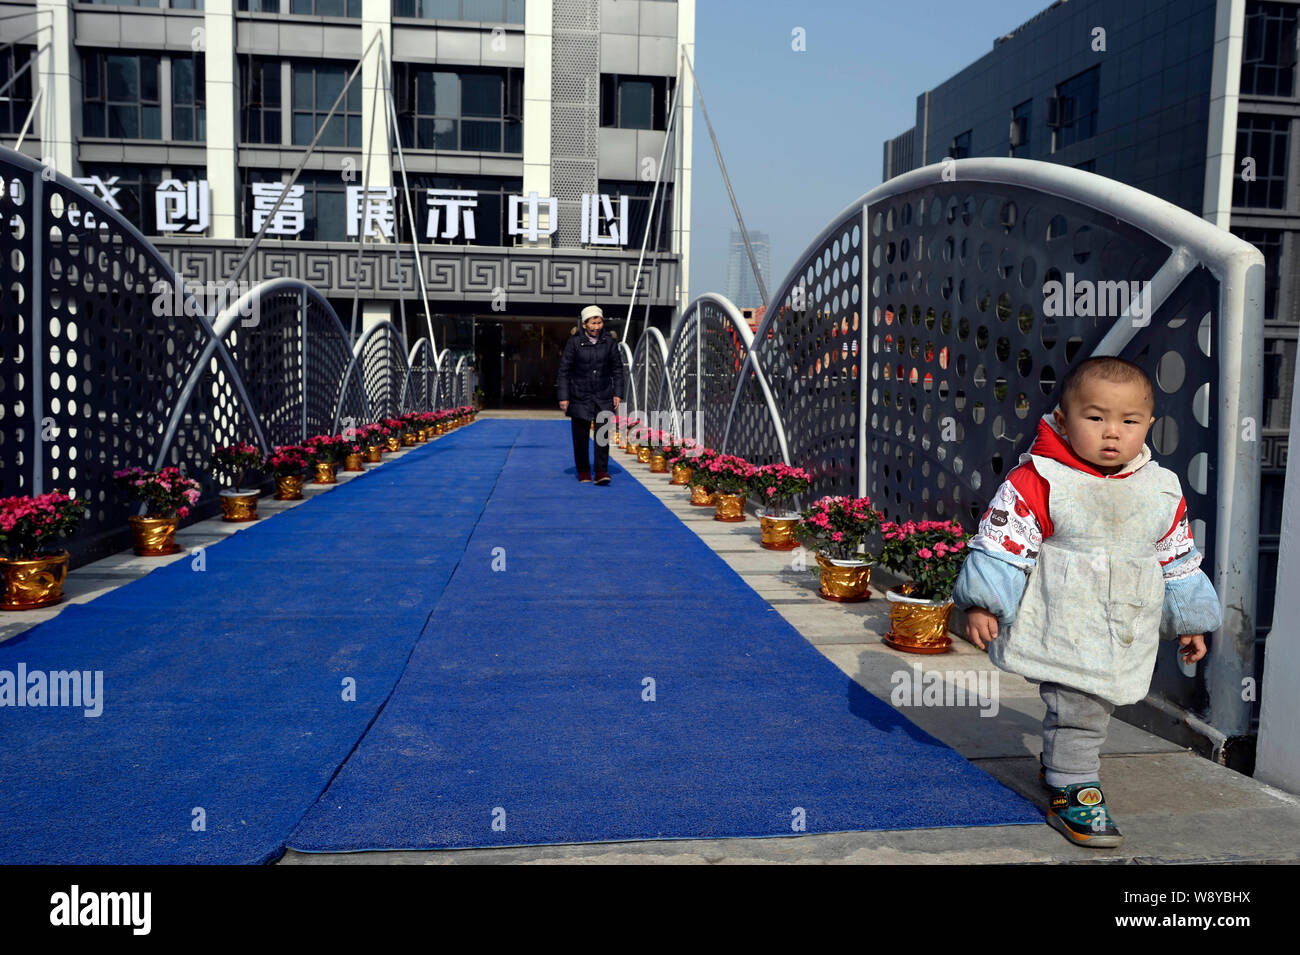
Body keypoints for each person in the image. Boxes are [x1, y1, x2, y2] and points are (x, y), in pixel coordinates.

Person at [951, 356, 1222, 848]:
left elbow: (1177, 557)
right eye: (1095, 418)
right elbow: (1003, 545)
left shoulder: (1160, 489)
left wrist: (1190, 620)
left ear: (1149, 425)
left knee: (1094, 702)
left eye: (1129, 421)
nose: (1112, 433)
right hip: (1064, 619)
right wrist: (984, 602)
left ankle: (1062, 762)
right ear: (1062, 419)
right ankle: (1073, 784)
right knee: (1079, 705)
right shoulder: (1040, 481)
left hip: (1123, 624)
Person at [556, 305, 624, 485]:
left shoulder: (609, 342)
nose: (596, 326)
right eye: (593, 323)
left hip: (603, 395)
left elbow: (617, 369)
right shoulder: (574, 342)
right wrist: (564, 396)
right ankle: (584, 470)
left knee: (602, 436)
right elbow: (564, 371)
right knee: (580, 436)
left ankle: (601, 471)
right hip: (579, 395)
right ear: (584, 324)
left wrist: (618, 393)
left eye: (599, 322)